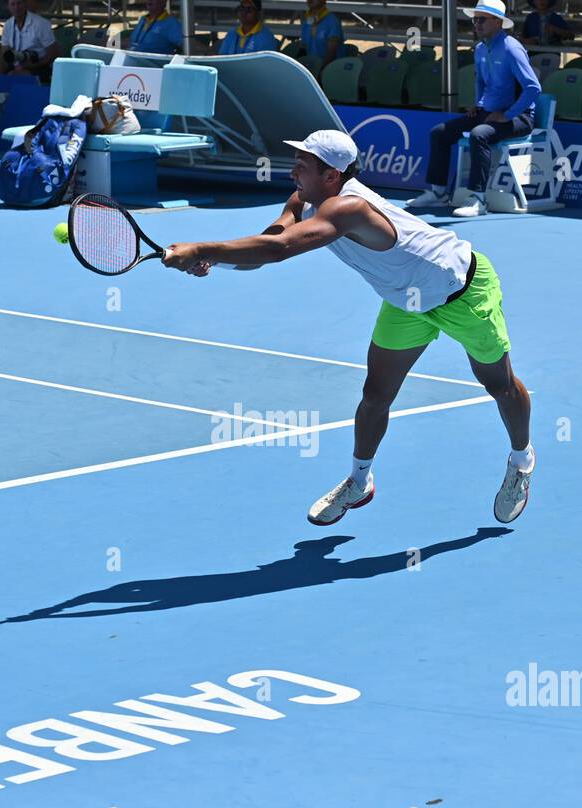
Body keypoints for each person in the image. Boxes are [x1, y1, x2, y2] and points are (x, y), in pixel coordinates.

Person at [161, 130, 536, 526]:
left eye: (303, 167)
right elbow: (268, 243)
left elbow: (281, 250)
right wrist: (213, 261)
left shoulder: (349, 209)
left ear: (331, 176)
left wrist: (201, 247)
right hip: (404, 302)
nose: (293, 174)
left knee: (499, 385)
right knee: (375, 394)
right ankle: (359, 481)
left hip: (460, 291)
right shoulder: (304, 200)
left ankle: (521, 460)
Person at [405, 1, 540, 218]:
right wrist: (479, 105)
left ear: (497, 22)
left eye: (482, 19)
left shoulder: (512, 48)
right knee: (440, 132)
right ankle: (439, 194)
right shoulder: (479, 49)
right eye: (475, 19)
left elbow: (533, 88)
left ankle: (479, 198)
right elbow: (480, 83)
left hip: (519, 118)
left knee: (479, 135)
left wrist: (507, 115)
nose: (476, 23)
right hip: (488, 113)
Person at [0, 0, 60, 78]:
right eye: (13, 4)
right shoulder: (8, 25)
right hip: (17, 65)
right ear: (8, 7)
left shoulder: (40, 23)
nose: (16, 7)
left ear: (25, 5)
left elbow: (54, 54)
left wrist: (32, 65)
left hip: (40, 66)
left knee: (14, 75)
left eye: (19, 3)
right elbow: (4, 54)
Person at [300, 0, 344, 72]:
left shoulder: (332, 21)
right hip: (311, 68)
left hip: (331, 70)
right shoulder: (307, 20)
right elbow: (303, 47)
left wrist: (320, 71)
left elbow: (331, 52)